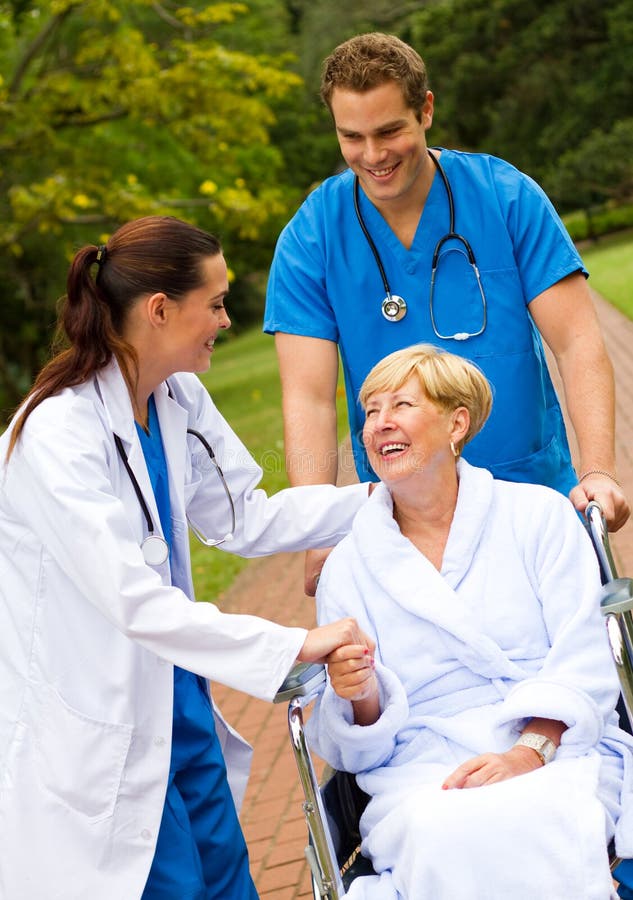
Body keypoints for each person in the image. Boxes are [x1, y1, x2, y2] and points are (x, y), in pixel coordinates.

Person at [0, 216, 374, 900]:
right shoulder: (55, 435)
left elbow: (244, 517)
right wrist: (296, 641)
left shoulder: (176, 395)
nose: (226, 321)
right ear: (160, 309)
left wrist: (383, 499)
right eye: (217, 303)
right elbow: (131, 602)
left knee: (229, 879)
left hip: (180, 706)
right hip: (99, 725)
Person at [263, 31, 630, 596]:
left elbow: (577, 342)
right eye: (351, 137)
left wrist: (599, 469)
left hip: (532, 496)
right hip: (405, 517)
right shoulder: (311, 237)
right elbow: (308, 396)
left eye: (389, 131)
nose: (373, 155)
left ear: (426, 109)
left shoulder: (506, 197)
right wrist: (321, 527)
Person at [303, 343, 633, 899]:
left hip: (551, 744)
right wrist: (358, 695)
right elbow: (360, 743)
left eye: (400, 405)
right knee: (440, 832)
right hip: (422, 765)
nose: (380, 424)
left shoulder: (538, 516)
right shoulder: (349, 566)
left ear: (458, 423)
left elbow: (585, 652)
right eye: (370, 411)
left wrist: (529, 752)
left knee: (544, 814)